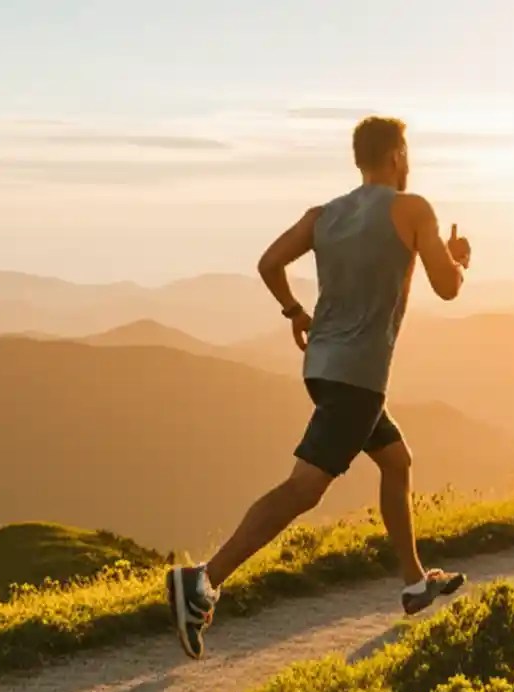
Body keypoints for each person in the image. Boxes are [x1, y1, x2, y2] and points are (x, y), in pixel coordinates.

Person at [167, 115, 472, 660]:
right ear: (398, 156)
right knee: (304, 489)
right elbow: (447, 288)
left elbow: (268, 263)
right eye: (408, 156)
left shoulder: (324, 215)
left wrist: (294, 312)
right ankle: (203, 580)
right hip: (358, 379)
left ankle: (413, 581)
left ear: (361, 159)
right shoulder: (414, 209)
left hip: (323, 368)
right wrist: (461, 260)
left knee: (397, 461)